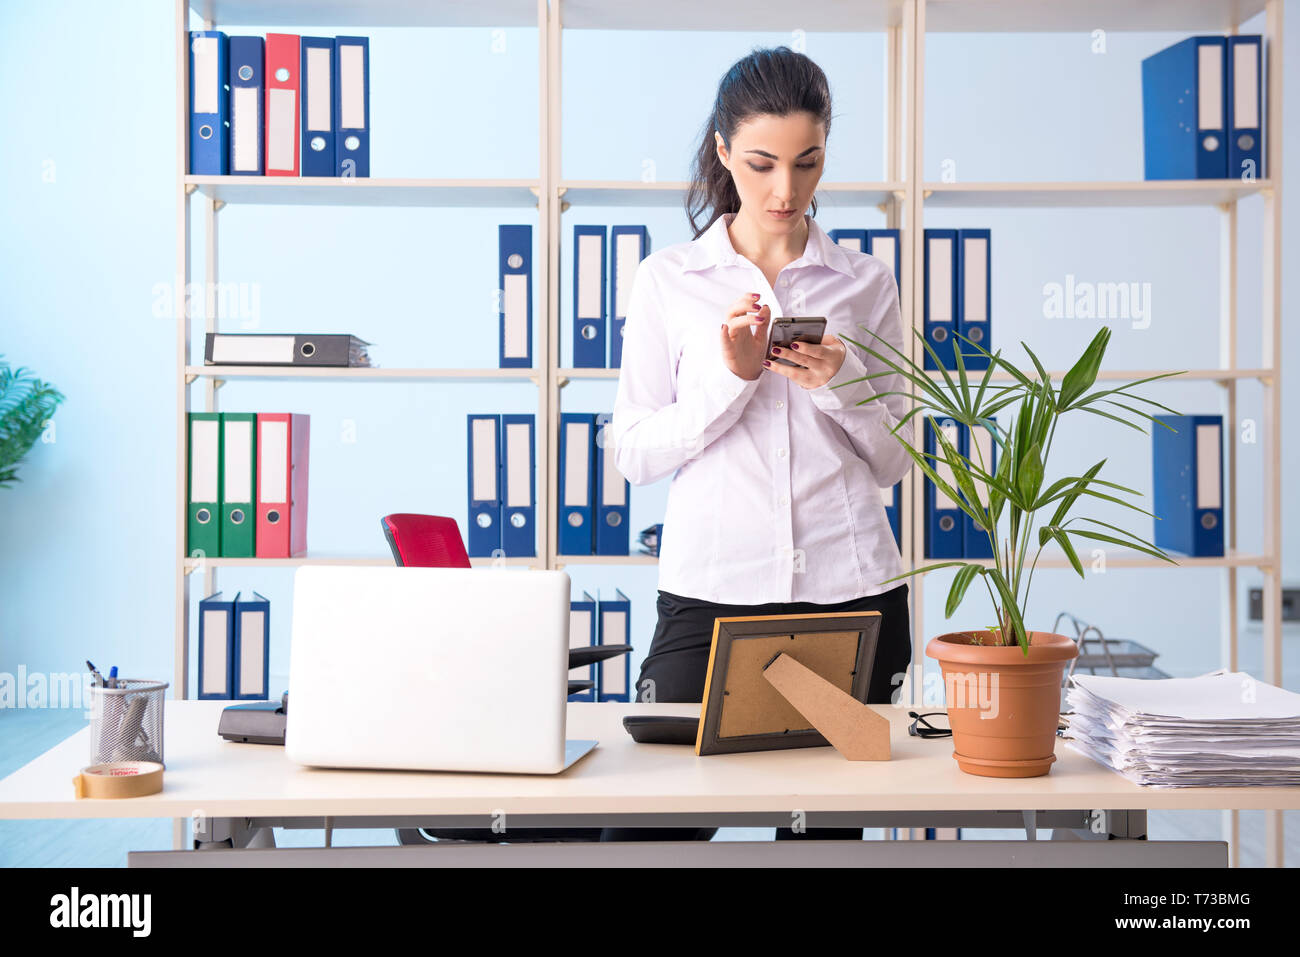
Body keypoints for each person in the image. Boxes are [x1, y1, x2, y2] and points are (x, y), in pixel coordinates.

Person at [602, 46, 914, 843]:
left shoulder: (866, 283)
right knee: (647, 835)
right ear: (722, 152)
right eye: (762, 163)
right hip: (710, 596)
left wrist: (838, 384)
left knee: (823, 841)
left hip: (852, 596)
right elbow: (632, 452)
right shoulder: (668, 280)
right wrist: (733, 380)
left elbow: (893, 463)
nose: (786, 190)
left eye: (808, 163)